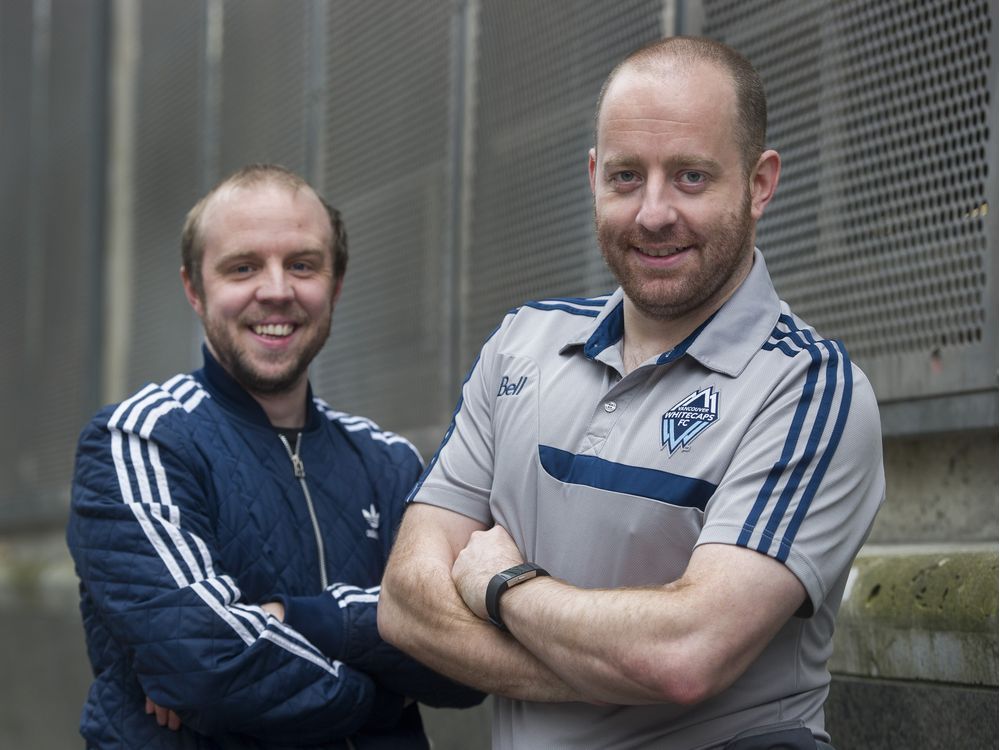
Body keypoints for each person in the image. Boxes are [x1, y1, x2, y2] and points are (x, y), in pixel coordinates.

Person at [378, 36, 884, 749]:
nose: (652, 212)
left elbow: (684, 657)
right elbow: (404, 602)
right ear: (592, 177)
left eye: (690, 177)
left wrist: (504, 585)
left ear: (760, 183)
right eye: (625, 176)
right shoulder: (523, 343)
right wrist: (609, 668)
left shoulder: (807, 392)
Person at [67, 164, 482, 749]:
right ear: (194, 288)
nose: (277, 290)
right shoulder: (141, 440)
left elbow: (467, 658)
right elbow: (205, 666)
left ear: (334, 286)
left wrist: (301, 619)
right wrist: (384, 692)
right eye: (243, 267)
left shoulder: (389, 462)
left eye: (303, 265)